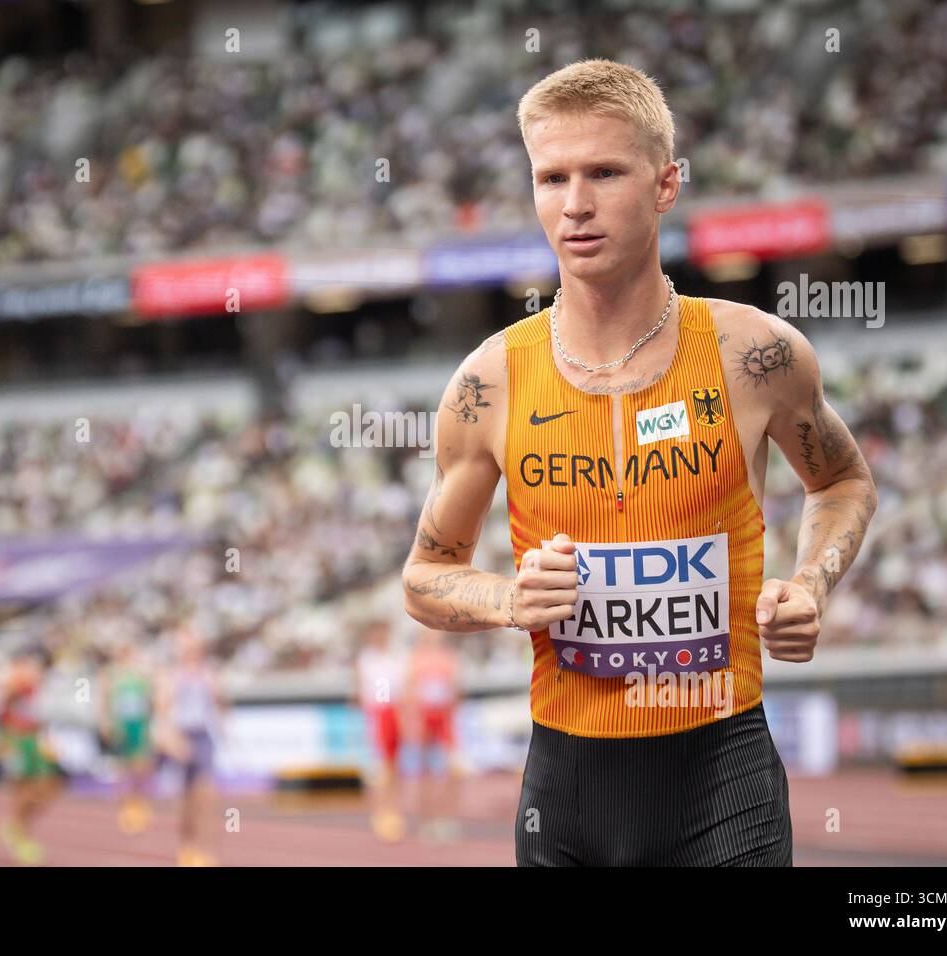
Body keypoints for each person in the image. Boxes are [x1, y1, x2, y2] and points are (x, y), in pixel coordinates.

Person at [401, 58, 878, 866]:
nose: (575, 205)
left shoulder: (752, 353)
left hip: (724, 778)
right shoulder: (488, 382)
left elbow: (840, 480)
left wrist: (811, 582)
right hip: (568, 794)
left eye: (604, 173)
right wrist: (509, 598)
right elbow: (424, 576)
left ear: (666, 185)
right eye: (551, 178)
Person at [156, 627, 225, 867]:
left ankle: (204, 849)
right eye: (188, 648)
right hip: (181, 735)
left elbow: (219, 702)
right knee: (186, 799)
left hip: (203, 735)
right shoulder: (172, 675)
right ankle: (186, 846)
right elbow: (162, 711)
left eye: (197, 648)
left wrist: (225, 728)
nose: (194, 652)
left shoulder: (208, 673)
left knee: (206, 796)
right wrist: (171, 739)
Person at [0, 647, 60, 865]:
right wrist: (21, 683)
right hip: (17, 738)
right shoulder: (11, 678)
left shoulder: (40, 680)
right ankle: (22, 836)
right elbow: (5, 704)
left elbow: (41, 709)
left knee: (47, 787)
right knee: (21, 789)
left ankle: (15, 826)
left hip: (36, 737)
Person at [403, 627, 462, 843]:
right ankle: (427, 821)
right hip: (425, 716)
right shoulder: (416, 659)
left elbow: (455, 689)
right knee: (425, 772)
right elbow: (409, 692)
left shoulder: (448, 657)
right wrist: (413, 721)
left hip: (443, 717)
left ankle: (446, 819)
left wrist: (451, 718)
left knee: (450, 771)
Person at [356, 620, 407, 842]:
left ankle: (393, 810)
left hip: (395, 712)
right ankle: (381, 812)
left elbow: (404, 686)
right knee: (381, 767)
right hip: (379, 713)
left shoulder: (397, 656)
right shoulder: (368, 659)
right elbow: (373, 691)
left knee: (394, 766)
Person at [101, 640, 156, 834]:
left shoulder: (139, 673)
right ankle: (125, 808)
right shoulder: (111, 674)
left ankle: (138, 803)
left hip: (138, 724)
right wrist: (106, 721)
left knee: (142, 765)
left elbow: (150, 698)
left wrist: (151, 720)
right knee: (124, 767)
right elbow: (104, 699)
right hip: (121, 724)